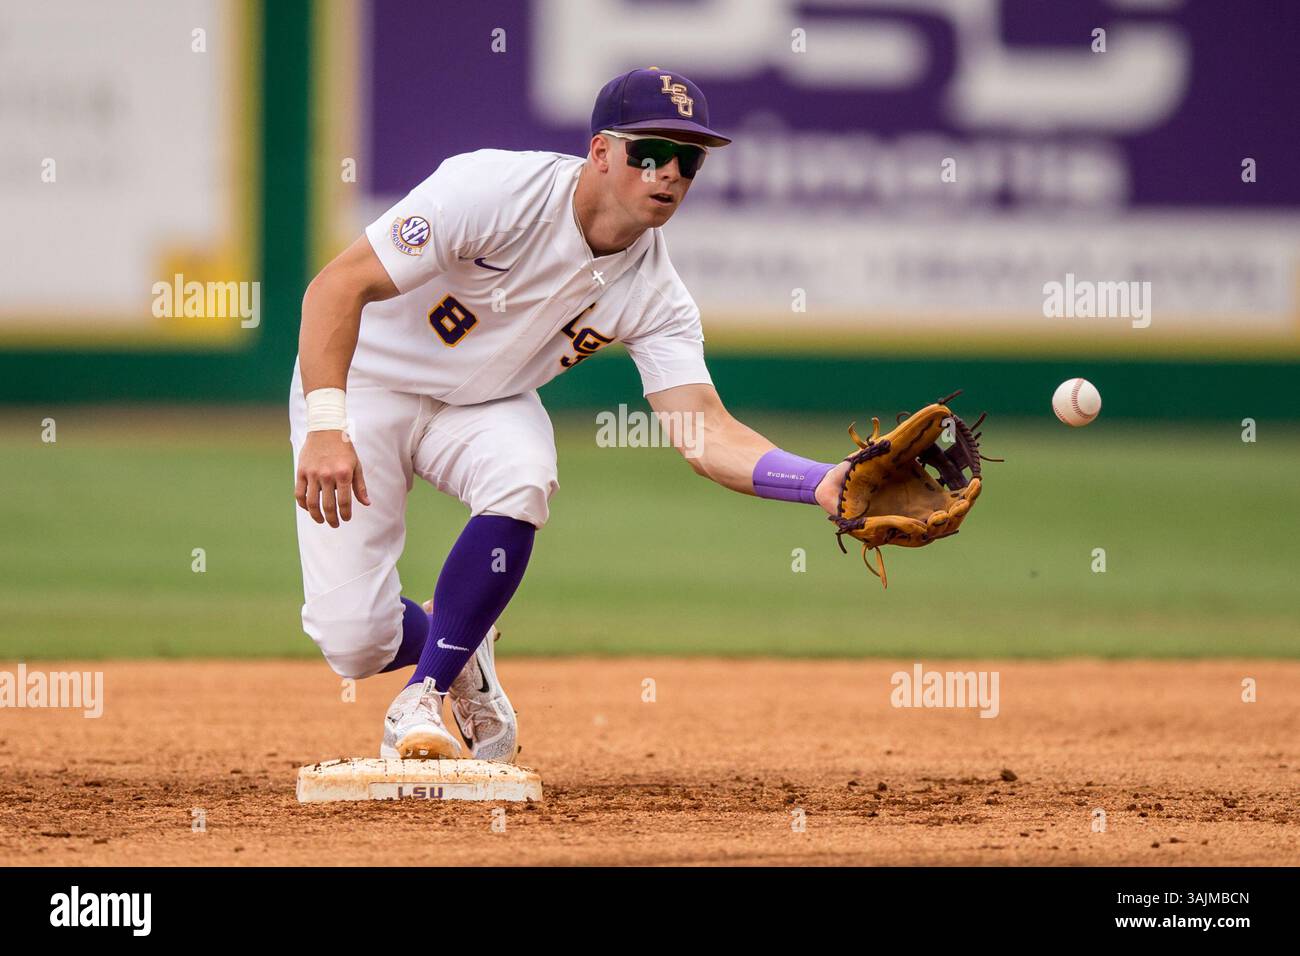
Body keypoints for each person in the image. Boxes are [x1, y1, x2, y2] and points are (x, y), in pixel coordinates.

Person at [291, 67, 849, 762]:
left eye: (689, 159)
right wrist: (324, 423)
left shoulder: (657, 295)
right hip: (367, 386)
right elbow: (334, 288)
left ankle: (424, 695)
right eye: (651, 151)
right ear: (601, 152)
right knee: (353, 639)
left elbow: (705, 432)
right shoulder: (492, 190)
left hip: (487, 405)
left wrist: (822, 480)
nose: (669, 172)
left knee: (525, 474)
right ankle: (462, 644)